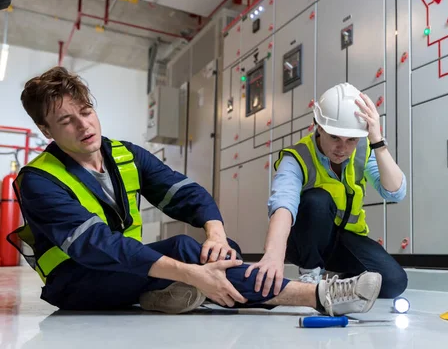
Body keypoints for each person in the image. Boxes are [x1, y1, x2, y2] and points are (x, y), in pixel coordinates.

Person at [7, 67, 383, 316]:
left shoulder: (122, 153)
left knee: (219, 251)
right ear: (46, 130)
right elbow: (99, 246)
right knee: (190, 255)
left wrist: (215, 235)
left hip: (125, 269)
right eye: (66, 121)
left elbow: (186, 193)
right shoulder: (38, 180)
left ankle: (159, 294)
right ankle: (319, 297)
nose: (84, 125)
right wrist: (190, 271)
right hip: (76, 281)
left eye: (86, 111)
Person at [245, 83, 408, 299]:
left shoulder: (362, 151)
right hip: (305, 241)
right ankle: (310, 277)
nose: (342, 148)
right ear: (318, 127)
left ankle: (335, 282)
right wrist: (273, 256)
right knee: (317, 200)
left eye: (351, 139)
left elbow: (395, 192)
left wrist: (377, 141)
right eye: (334, 137)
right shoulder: (298, 157)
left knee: (394, 283)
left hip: (345, 240)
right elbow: (283, 204)